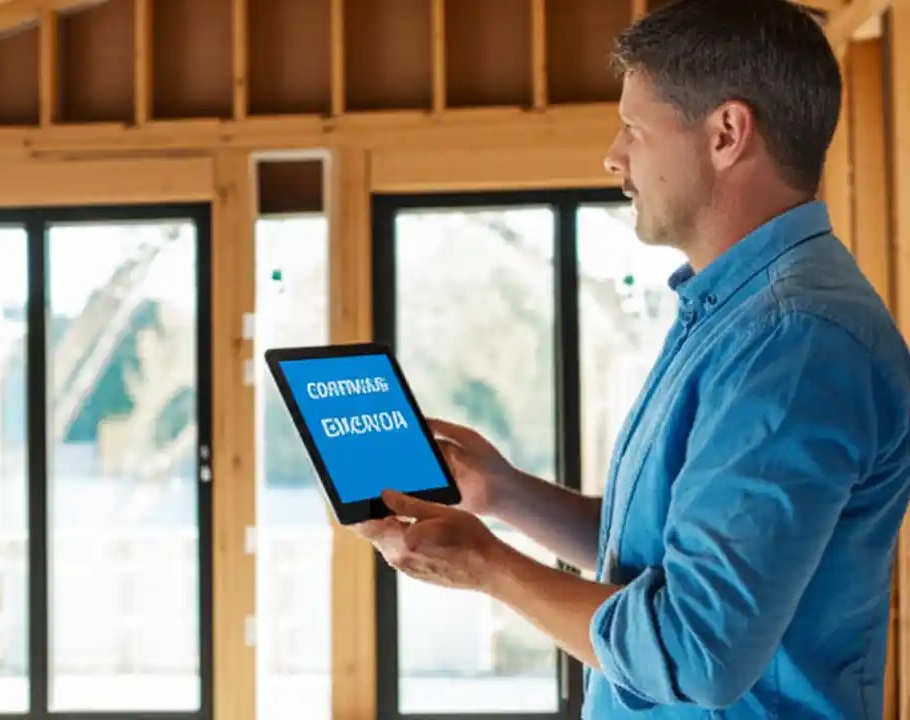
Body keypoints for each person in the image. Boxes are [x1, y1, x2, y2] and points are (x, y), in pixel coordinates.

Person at [354, 0, 910, 717]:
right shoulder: (740, 318)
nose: (613, 155)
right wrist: (503, 495)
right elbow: (665, 564)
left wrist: (489, 568)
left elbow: (693, 652)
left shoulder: (792, 341)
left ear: (727, 134)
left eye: (635, 129)